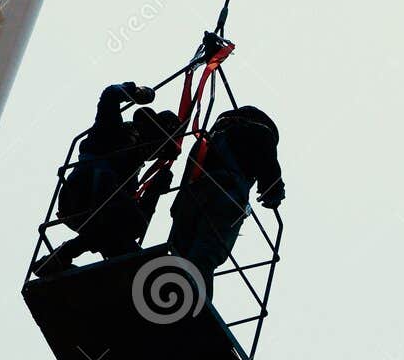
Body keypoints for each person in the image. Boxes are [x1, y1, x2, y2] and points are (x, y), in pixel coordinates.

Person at [35, 82, 181, 274]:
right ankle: (68, 255)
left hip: (98, 210)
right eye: (158, 144)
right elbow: (110, 95)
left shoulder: (131, 176)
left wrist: (155, 191)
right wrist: (136, 92)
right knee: (127, 219)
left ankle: (60, 258)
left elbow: (137, 220)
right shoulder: (111, 130)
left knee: (124, 230)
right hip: (80, 193)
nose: (155, 152)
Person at [167, 105, 284, 291]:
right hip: (225, 197)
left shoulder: (208, 140)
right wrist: (273, 191)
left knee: (179, 255)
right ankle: (191, 306)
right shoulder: (258, 133)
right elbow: (269, 167)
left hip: (191, 200)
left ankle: (169, 294)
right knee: (205, 256)